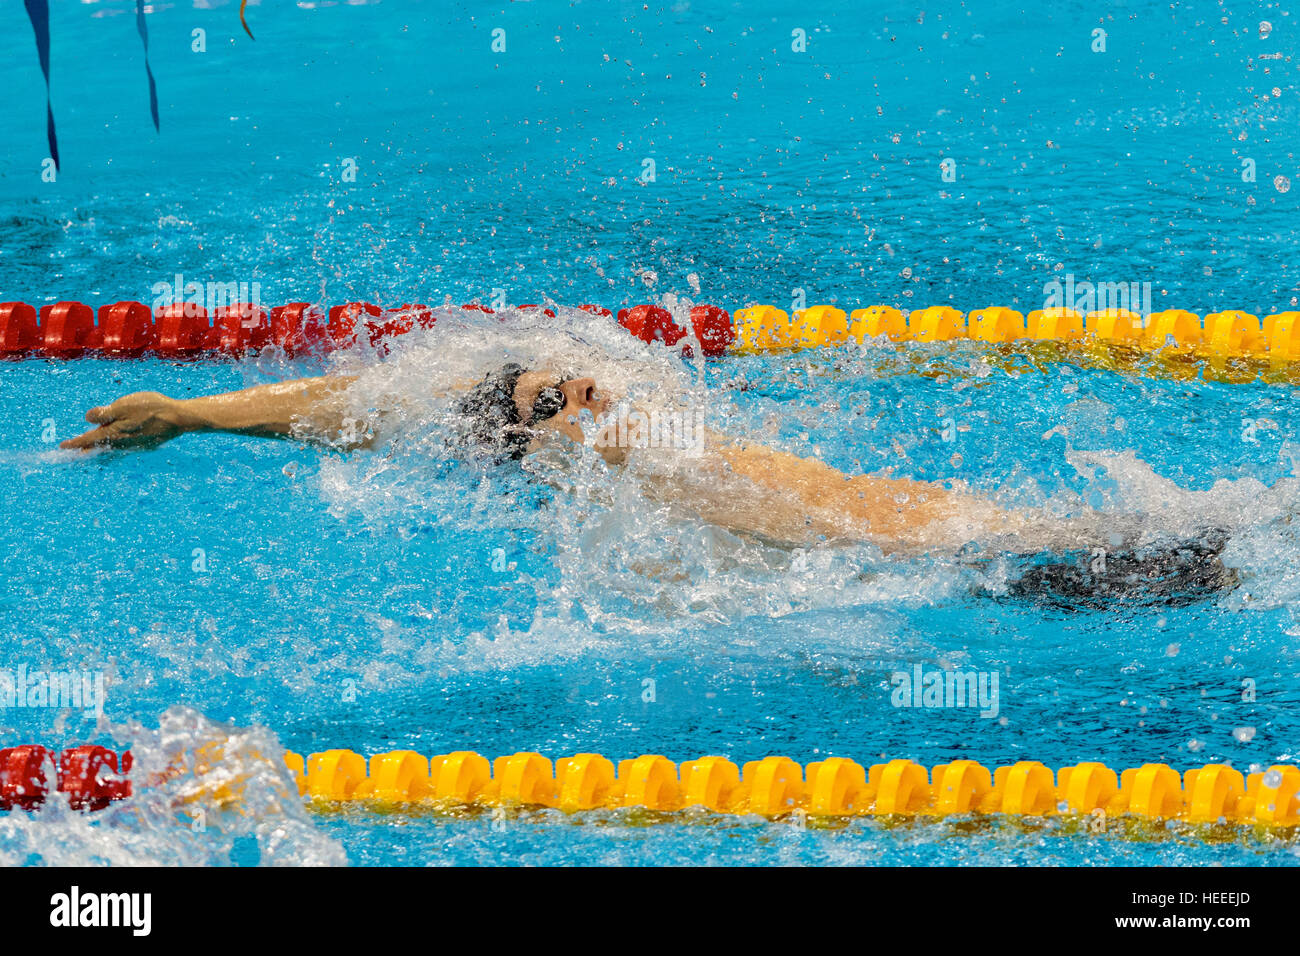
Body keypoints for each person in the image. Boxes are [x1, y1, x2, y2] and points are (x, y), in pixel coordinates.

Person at [60, 362, 1235, 602]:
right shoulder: (500, 399)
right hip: (589, 412)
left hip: (605, 420)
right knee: (899, 530)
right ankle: (1164, 537)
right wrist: (193, 416)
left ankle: (1188, 531)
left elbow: (342, 412)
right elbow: (342, 411)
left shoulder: (591, 429)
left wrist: (192, 415)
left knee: (899, 530)